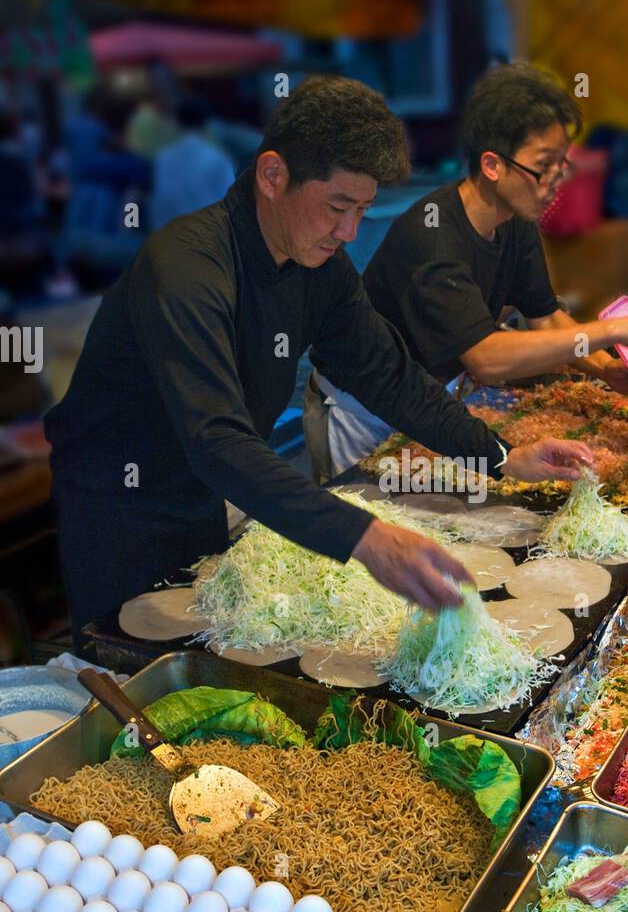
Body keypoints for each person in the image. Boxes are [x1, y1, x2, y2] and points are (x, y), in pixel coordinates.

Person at [44, 77, 593, 649]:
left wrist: (501, 456)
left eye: (362, 210)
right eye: (337, 206)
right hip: (122, 505)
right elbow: (217, 440)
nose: (349, 231)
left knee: (209, 645)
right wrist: (365, 537)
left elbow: (389, 375)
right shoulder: (186, 267)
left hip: (205, 493)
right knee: (129, 664)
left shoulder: (319, 270)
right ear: (273, 176)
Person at [305, 63, 628, 480]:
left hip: (431, 402)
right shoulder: (433, 239)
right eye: (544, 166)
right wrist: (611, 331)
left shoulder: (513, 219)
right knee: (374, 527)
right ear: (492, 165)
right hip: (363, 411)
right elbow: (486, 359)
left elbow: (546, 317)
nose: (556, 182)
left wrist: (604, 368)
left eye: (562, 166)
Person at [150, 97, 236, 230]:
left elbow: (162, 201)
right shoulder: (217, 158)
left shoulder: (164, 158)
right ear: (206, 123)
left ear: (178, 122)